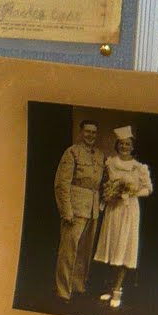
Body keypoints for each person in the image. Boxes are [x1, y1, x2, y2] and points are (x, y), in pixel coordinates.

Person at [93, 125, 151, 309]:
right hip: (113, 209)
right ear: (117, 145)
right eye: (121, 144)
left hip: (128, 210)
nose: (124, 147)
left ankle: (117, 291)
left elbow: (148, 189)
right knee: (112, 248)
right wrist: (110, 193)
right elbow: (104, 184)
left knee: (123, 248)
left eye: (128, 144)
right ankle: (110, 288)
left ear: (132, 147)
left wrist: (131, 192)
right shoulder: (110, 163)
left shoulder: (138, 167)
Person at [52, 117, 104, 301]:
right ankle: (63, 291)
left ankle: (78, 286)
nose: (91, 135)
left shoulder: (99, 155)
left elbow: (100, 183)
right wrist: (66, 210)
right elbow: (61, 184)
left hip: (92, 208)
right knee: (68, 250)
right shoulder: (71, 152)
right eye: (87, 131)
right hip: (74, 208)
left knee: (84, 250)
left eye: (94, 132)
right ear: (81, 132)